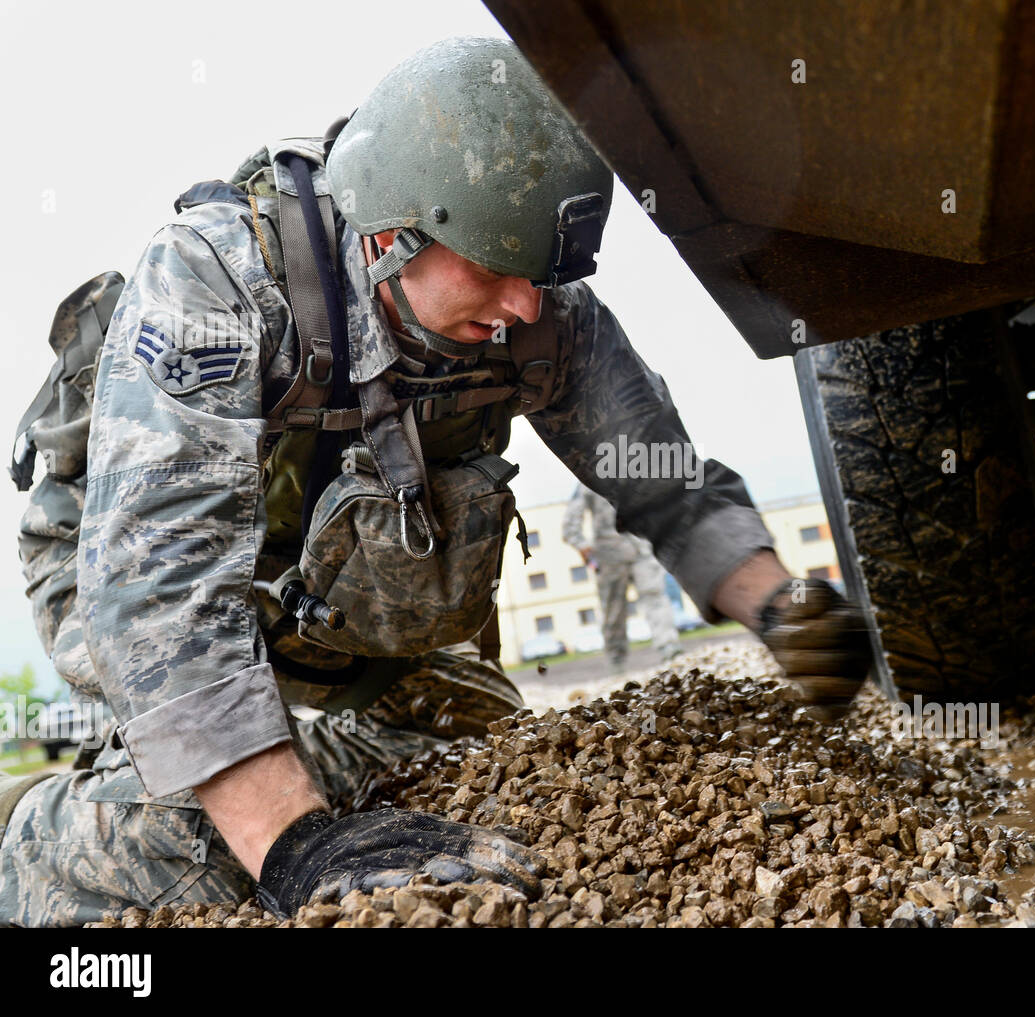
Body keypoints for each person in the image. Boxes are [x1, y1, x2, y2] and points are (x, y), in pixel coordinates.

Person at [0, 38, 872, 927]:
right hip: (132, 585)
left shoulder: (533, 310)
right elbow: (161, 591)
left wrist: (783, 609)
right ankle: (42, 824)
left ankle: (277, 763)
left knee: (472, 763)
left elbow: (661, 478)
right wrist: (302, 845)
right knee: (209, 855)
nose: (527, 305)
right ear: (391, 236)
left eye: (543, 274)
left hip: (332, 597)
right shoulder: (220, 286)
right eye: (499, 269)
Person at [562, 482, 683, 672]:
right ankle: (616, 661)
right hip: (610, 556)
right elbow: (570, 523)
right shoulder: (588, 478)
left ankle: (670, 648)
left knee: (655, 596)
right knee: (614, 610)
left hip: (642, 548)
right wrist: (582, 545)